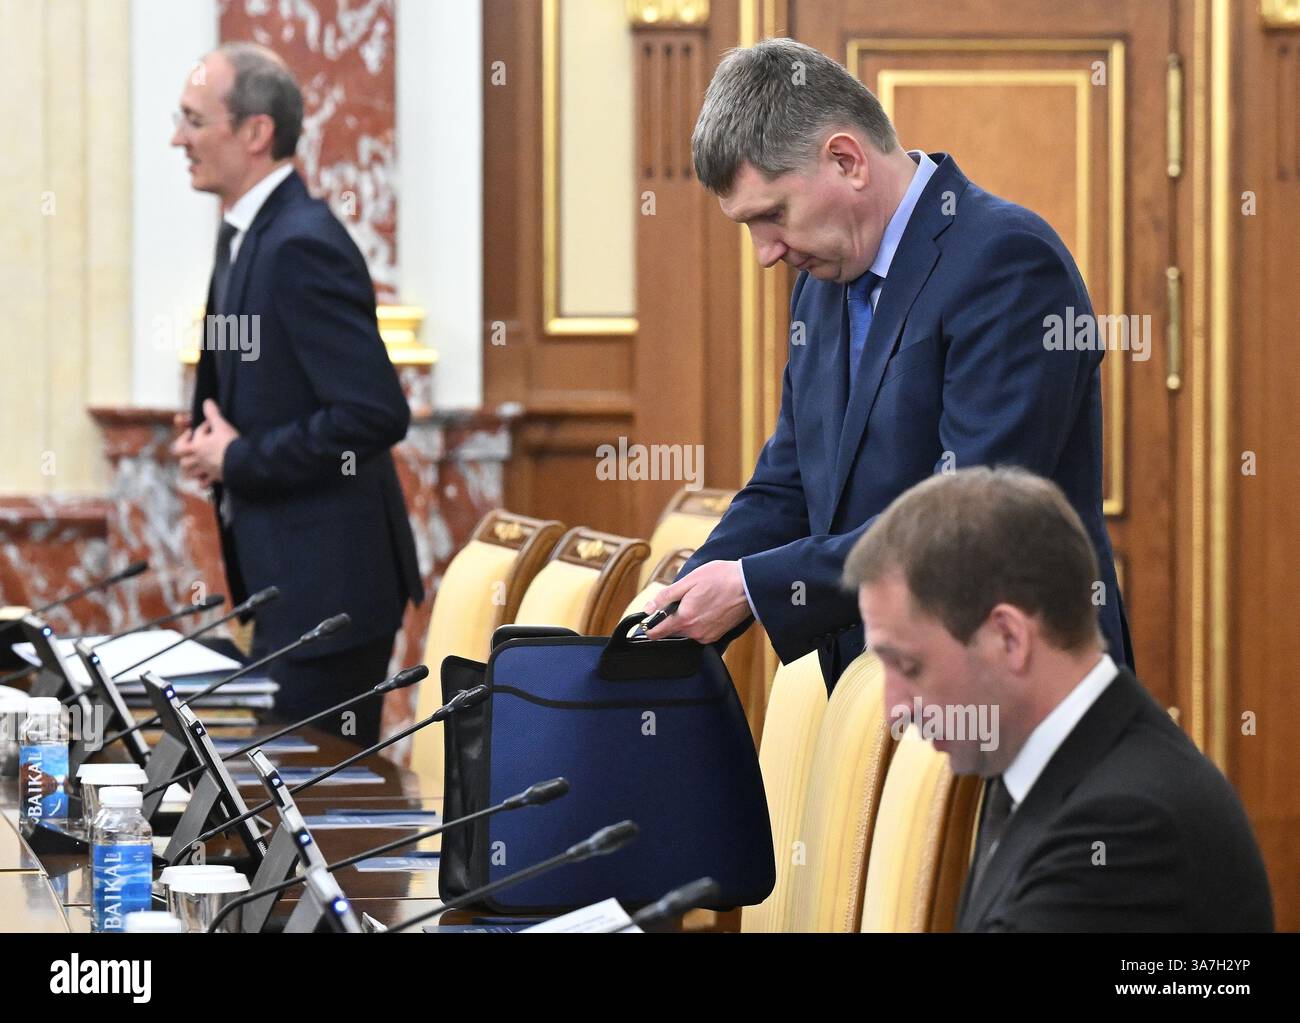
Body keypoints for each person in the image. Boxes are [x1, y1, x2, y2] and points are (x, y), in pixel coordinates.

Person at [644, 38, 1132, 689]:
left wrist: (757, 587)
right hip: (882, 701)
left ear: (846, 160)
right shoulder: (821, 283)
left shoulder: (1007, 262)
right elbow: (790, 479)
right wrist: (689, 594)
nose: (765, 252)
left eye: (772, 215)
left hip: (1013, 696)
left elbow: (972, 522)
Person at [842, 467, 1272, 932]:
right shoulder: (1036, 767)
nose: (895, 711)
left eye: (908, 666)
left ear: (1008, 638)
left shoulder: (1125, 825)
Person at [169, 43, 423, 747]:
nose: (177, 139)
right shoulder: (245, 233)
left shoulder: (300, 243)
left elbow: (375, 411)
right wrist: (208, 443)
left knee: (315, 823)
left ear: (255, 132)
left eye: (193, 121)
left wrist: (242, 458)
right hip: (289, 588)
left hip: (331, 597)